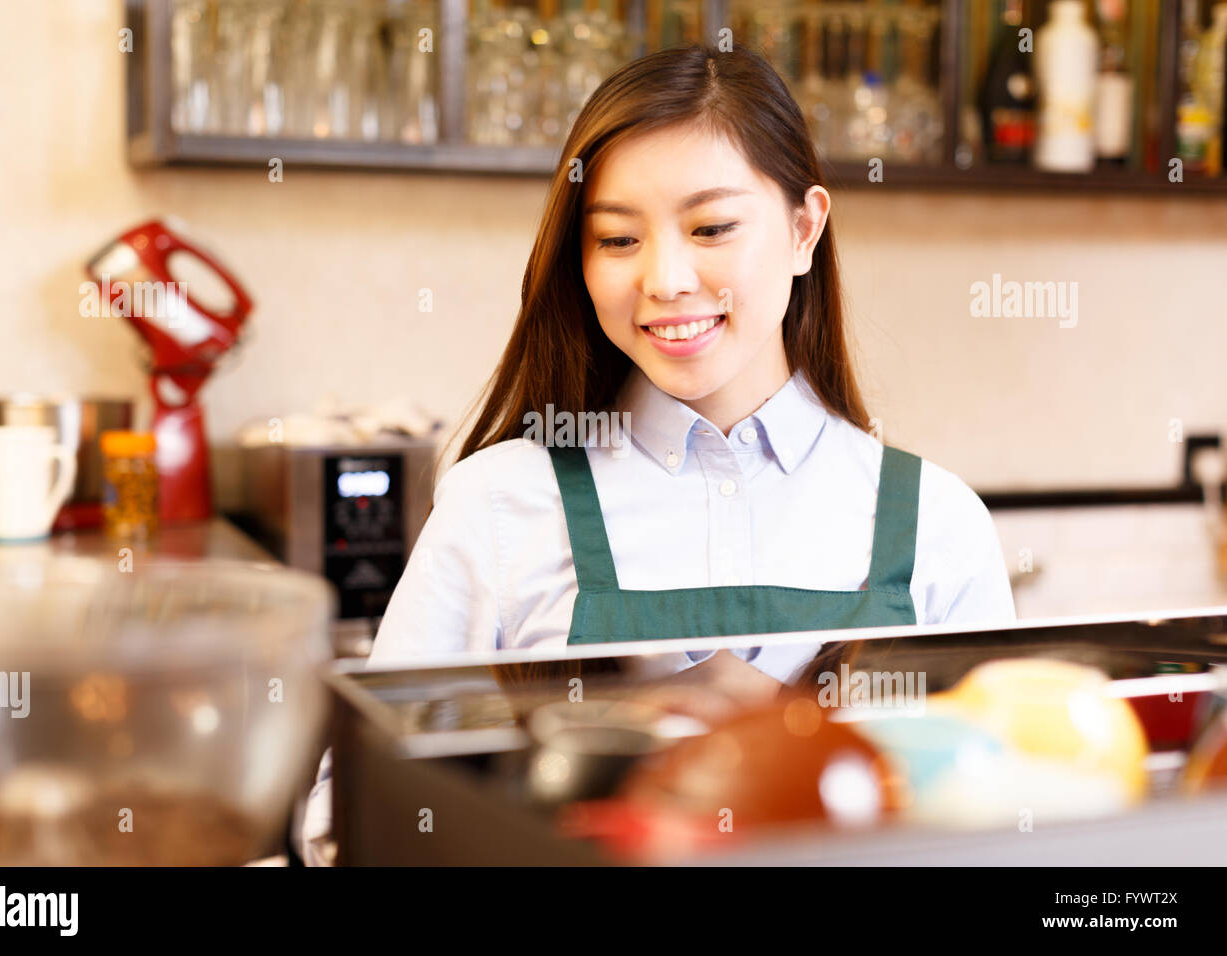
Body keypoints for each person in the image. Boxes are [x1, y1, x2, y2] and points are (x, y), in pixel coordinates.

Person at [303, 43, 1016, 861]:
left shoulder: (936, 522)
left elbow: (999, 817)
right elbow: (346, 819)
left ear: (803, 229)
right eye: (617, 239)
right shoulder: (497, 504)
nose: (667, 278)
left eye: (712, 227)